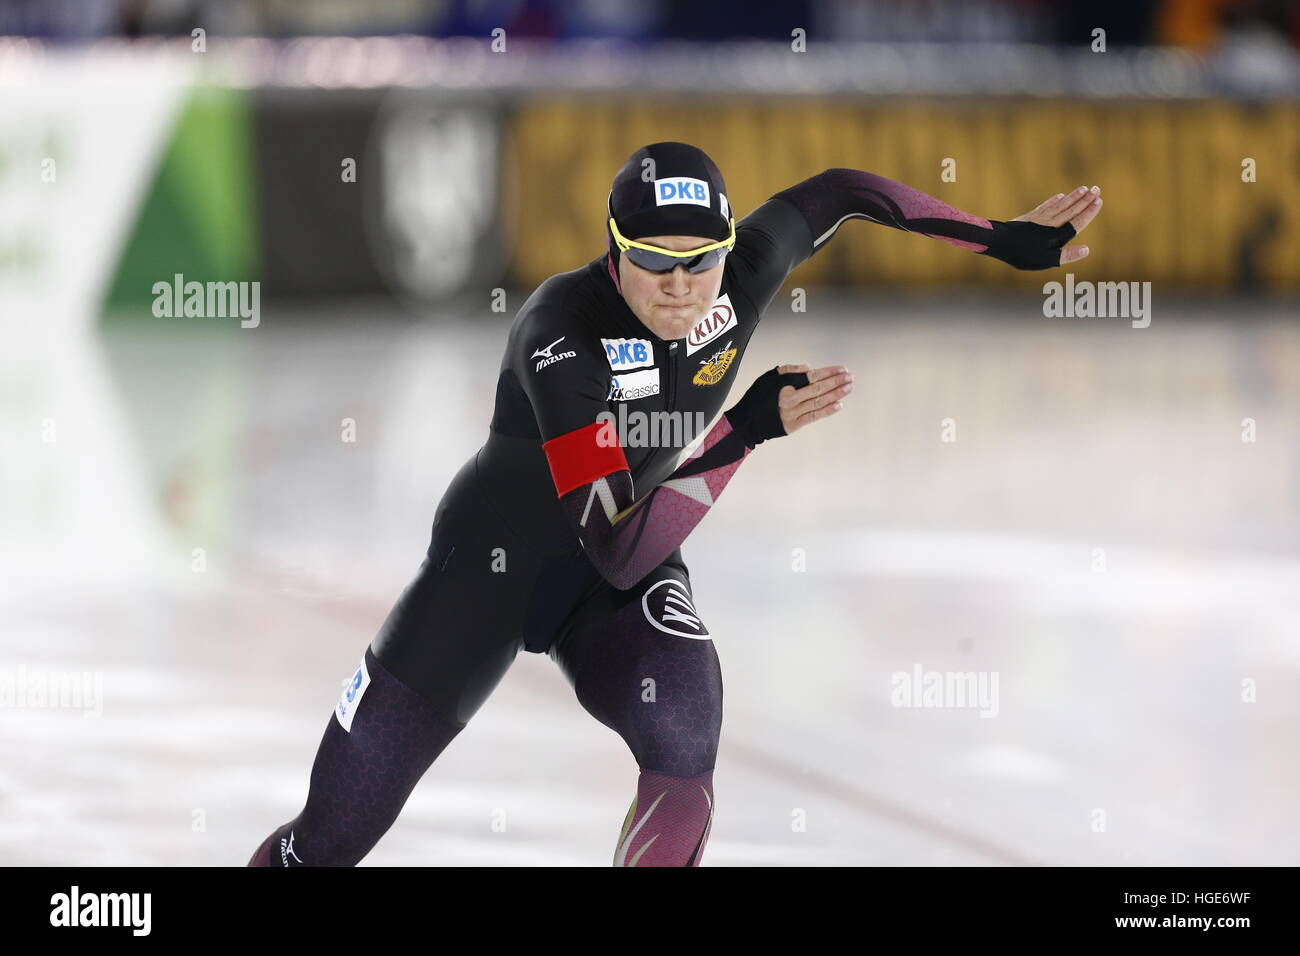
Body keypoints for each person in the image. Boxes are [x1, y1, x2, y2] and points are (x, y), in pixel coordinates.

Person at [248, 141, 1101, 867]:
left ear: (733, 249)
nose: (681, 284)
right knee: (326, 844)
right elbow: (613, 545)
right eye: (653, 260)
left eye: (701, 259)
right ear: (613, 254)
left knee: (685, 738)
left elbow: (843, 192)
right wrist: (744, 431)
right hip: (490, 570)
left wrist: (1004, 241)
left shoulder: (738, 281)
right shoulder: (560, 335)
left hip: (626, 556)